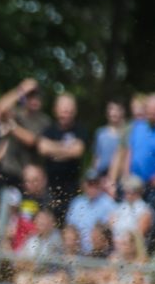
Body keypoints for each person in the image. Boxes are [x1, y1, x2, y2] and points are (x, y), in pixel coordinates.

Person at [36, 93, 86, 222]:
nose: (66, 112)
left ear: (74, 111)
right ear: (56, 109)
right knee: (48, 222)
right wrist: (66, 148)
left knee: (69, 225)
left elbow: (77, 151)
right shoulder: (48, 129)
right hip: (50, 188)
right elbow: (42, 148)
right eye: (63, 109)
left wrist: (53, 150)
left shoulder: (79, 129)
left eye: (69, 109)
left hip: (72, 189)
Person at [65, 170, 116, 253]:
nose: (92, 187)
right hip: (78, 250)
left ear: (100, 184)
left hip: (100, 251)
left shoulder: (108, 203)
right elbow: (69, 227)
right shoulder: (77, 203)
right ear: (84, 185)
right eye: (90, 184)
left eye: (95, 184)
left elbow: (111, 229)